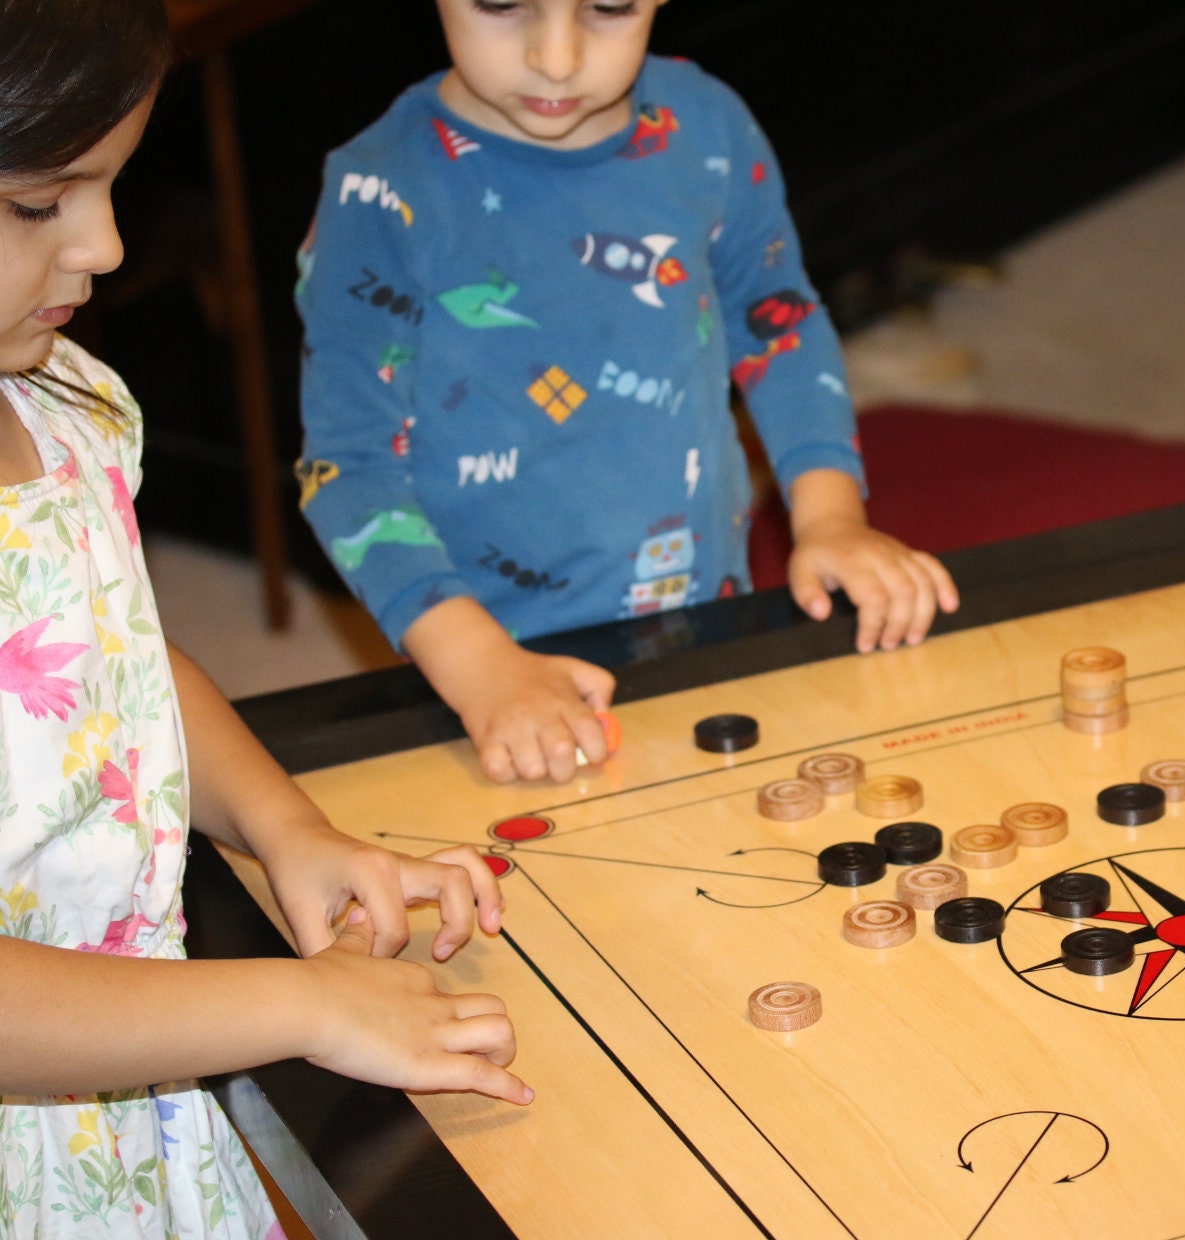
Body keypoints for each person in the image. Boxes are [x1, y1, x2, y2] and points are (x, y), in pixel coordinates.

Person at [0, 4, 532, 1240]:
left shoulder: (60, 405)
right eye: (41, 203)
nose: (108, 244)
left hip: (144, 1082)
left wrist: (286, 826)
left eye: (113, 186)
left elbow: (122, 665)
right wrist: (301, 1001)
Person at [296, 0, 961, 785]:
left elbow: (777, 322)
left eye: (608, 7)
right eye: (502, 5)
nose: (556, 56)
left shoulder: (707, 124)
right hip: (489, 666)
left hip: (709, 618)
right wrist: (480, 668)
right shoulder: (379, 191)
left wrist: (830, 514)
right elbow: (348, 469)